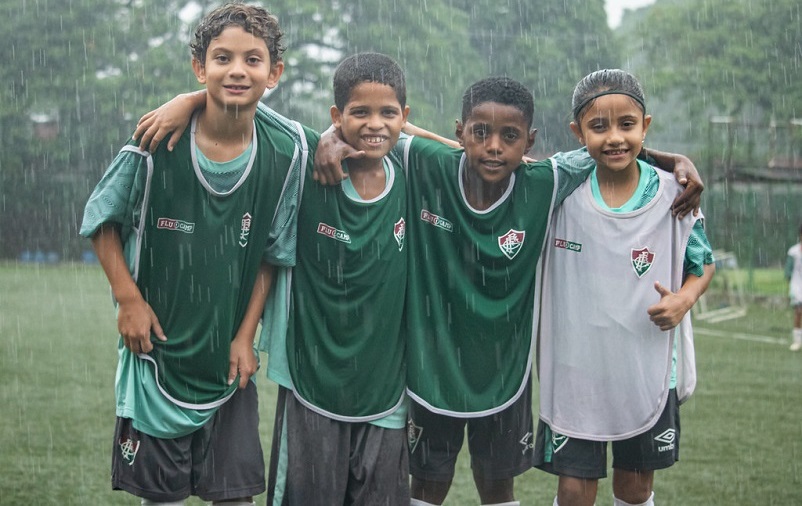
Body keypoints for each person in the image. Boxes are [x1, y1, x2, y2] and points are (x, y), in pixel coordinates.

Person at [313, 76, 702, 506]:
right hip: (430, 366)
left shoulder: (545, 181)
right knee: (425, 488)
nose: (494, 146)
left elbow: (609, 145)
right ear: (460, 133)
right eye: (480, 133)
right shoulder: (429, 162)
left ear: (529, 140)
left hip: (507, 372)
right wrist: (331, 135)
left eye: (510, 136)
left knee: (498, 488)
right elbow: (382, 131)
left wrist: (667, 159)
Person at [133, 52, 413, 505]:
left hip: (386, 389)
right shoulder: (303, 166)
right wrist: (191, 100)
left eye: (388, 113)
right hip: (310, 381)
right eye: (359, 112)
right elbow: (239, 102)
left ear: (405, 116)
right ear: (337, 116)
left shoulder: (412, 171)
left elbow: (465, 150)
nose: (375, 123)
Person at [80, 3, 310, 504]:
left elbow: (272, 255)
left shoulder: (288, 150)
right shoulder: (156, 138)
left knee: (235, 496)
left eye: (253, 59)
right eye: (221, 57)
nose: (236, 70)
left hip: (230, 361)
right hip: (157, 353)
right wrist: (128, 300)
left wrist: (247, 335)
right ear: (198, 67)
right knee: (160, 497)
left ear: (275, 73)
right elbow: (101, 218)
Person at [533, 69, 716, 506]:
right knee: (575, 492)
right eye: (599, 127)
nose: (614, 137)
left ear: (645, 126)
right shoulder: (559, 188)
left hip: (646, 367)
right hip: (576, 369)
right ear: (578, 132)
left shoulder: (674, 194)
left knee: (635, 488)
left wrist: (684, 300)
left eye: (626, 125)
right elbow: (491, 160)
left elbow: (702, 262)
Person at [785, 224, 802, 351]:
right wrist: (790, 287)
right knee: (798, 311)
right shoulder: (793, 252)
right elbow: (788, 272)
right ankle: (797, 341)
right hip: (797, 286)